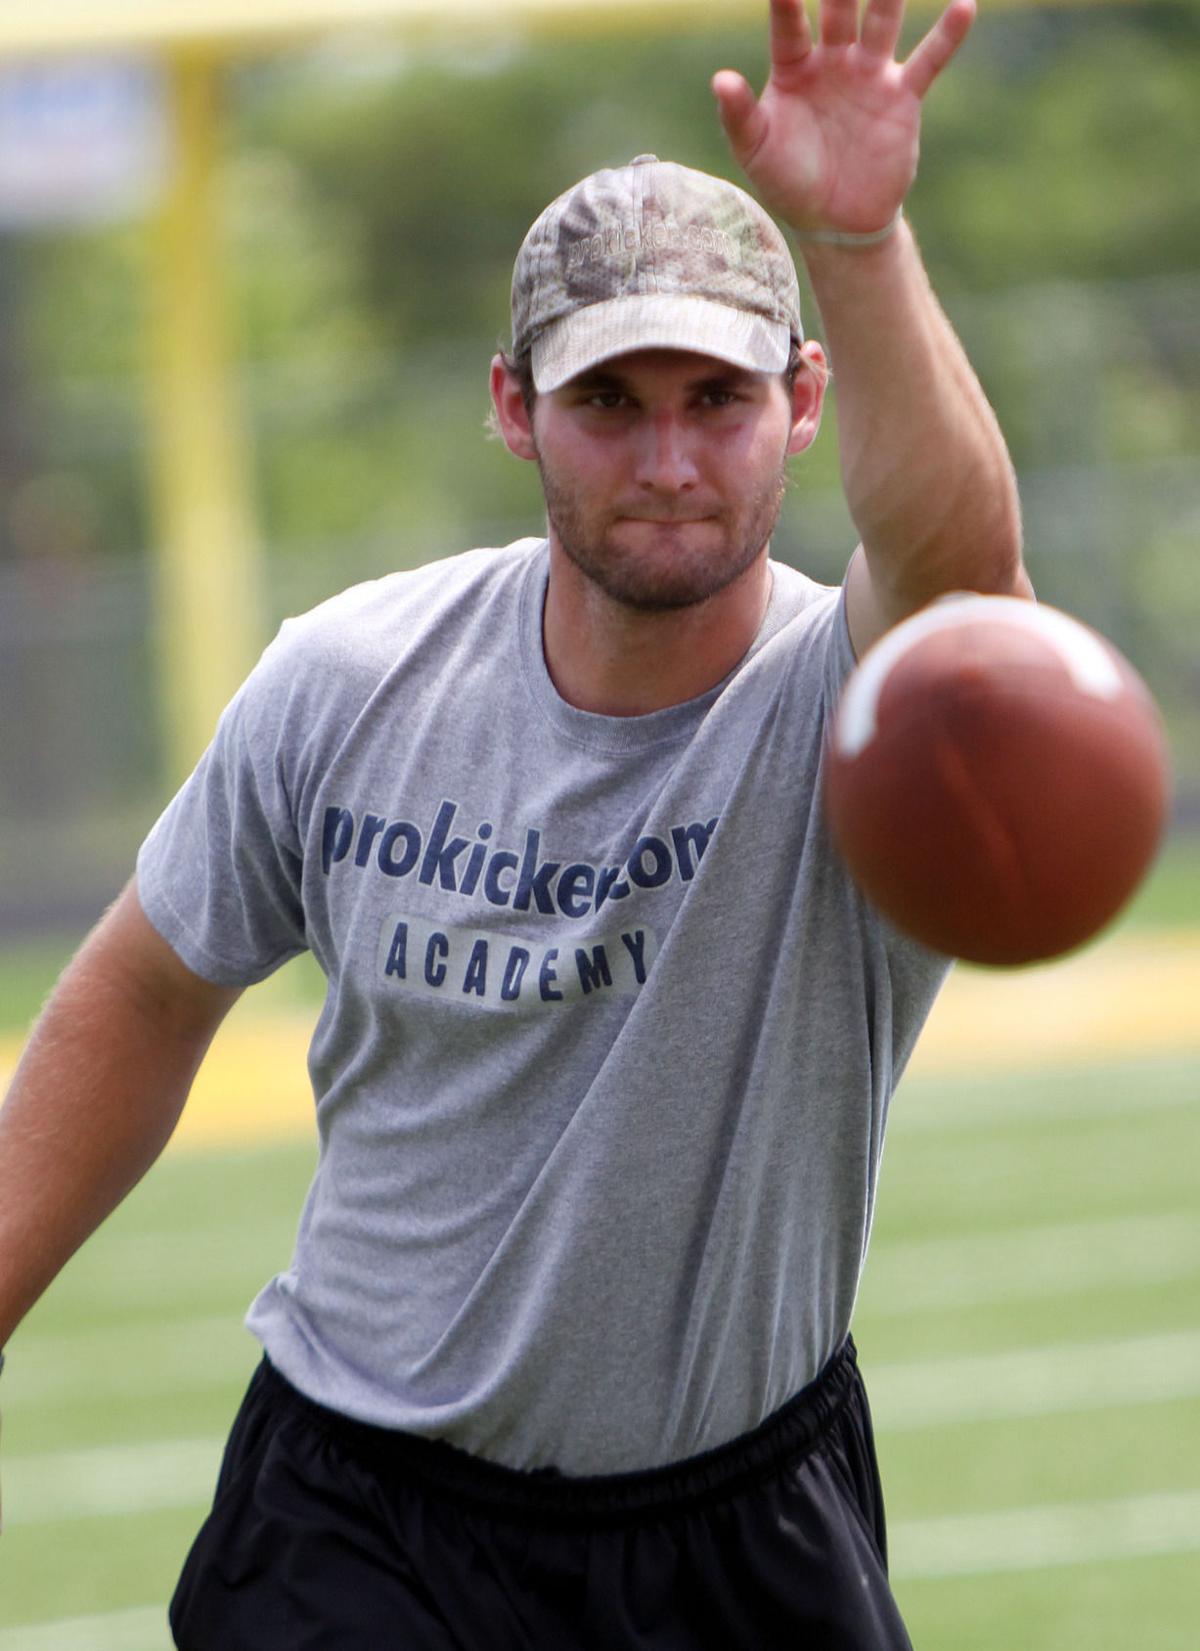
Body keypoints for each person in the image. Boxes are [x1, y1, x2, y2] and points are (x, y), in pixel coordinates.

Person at [0, 0, 1031, 1644]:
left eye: (719, 396)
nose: (671, 457)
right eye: (610, 401)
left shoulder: (857, 703)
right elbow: (144, 989)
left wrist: (859, 233)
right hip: (360, 1516)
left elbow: (969, 575)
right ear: (512, 409)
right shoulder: (348, 680)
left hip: (740, 1524)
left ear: (806, 402)